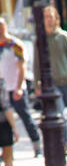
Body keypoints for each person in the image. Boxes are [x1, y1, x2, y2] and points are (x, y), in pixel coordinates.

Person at [41, 7, 67, 150]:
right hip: (52, 83)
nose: (48, 19)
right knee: (60, 113)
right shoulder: (41, 39)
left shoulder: (63, 36)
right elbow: (37, 63)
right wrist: (37, 83)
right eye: (46, 17)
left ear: (56, 18)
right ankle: (66, 141)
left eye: (51, 16)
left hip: (66, 79)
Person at [0, 17, 40, 156]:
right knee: (4, 121)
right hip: (2, 90)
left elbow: (22, 66)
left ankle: (37, 145)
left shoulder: (15, 44)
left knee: (25, 117)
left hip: (14, 87)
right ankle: (6, 151)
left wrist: (19, 86)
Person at [0, 72, 17, 166]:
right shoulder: (1, 82)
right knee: (8, 159)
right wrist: (15, 127)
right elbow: (5, 105)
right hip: (3, 124)